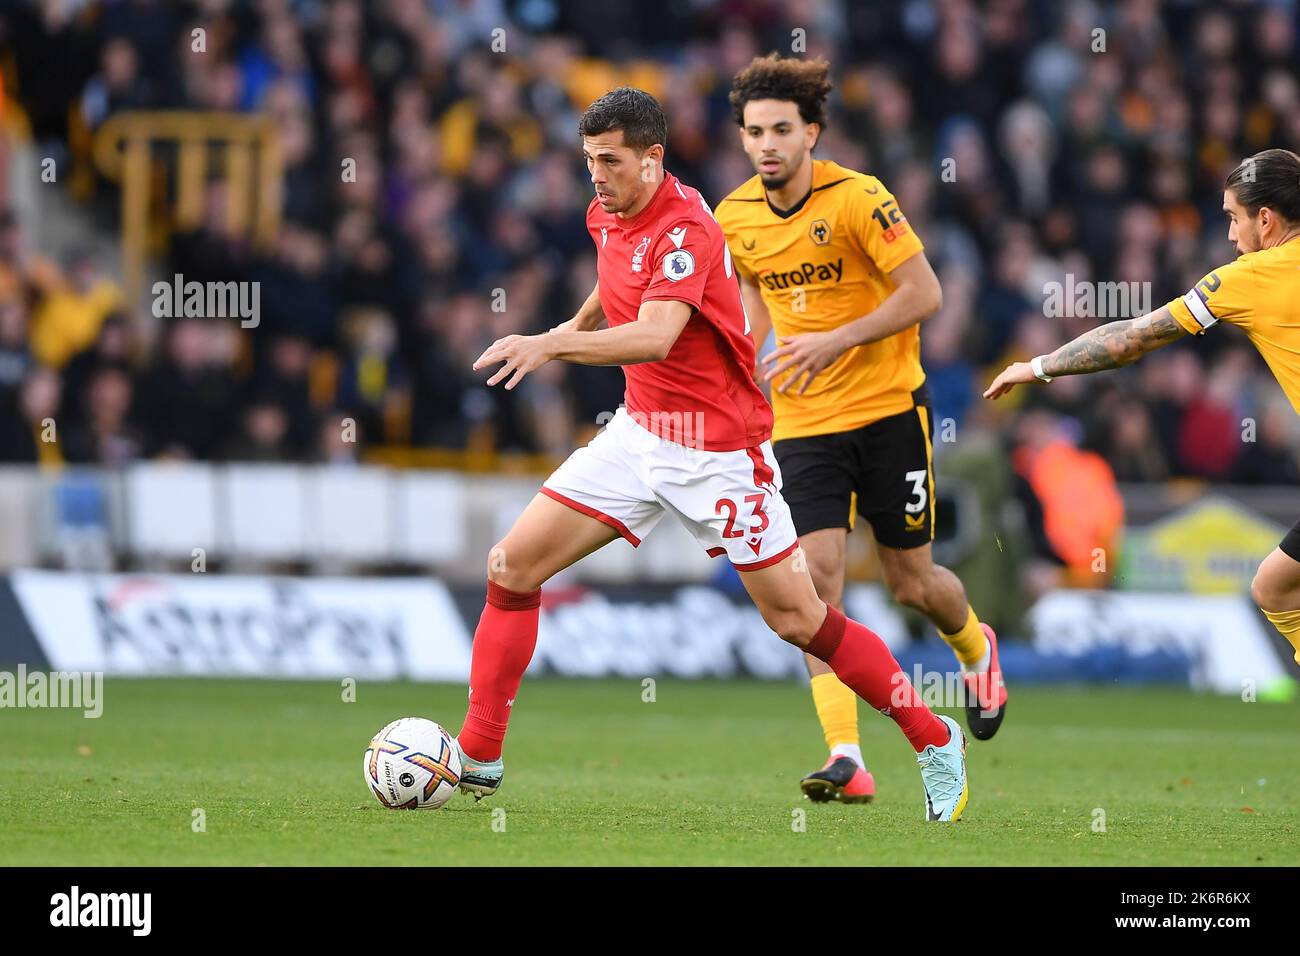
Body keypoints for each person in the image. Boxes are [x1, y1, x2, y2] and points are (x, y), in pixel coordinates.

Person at [459, 87, 970, 821]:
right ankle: (479, 754)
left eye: (610, 161)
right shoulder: (605, 212)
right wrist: (570, 324)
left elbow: (656, 335)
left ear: (652, 159)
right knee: (511, 565)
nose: (596, 175)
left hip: (719, 450)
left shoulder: (689, 230)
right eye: (588, 161)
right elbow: (613, 294)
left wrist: (550, 343)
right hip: (639, 434)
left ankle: (932, 737)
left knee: (802, 621)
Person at [714, 54, 1005, 805]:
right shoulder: (734, 217)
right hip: (804, 424)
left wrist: (833, 340)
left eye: (782, 129)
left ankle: (975, 649)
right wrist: (745, 359)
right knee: (813, 587)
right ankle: (847, 756)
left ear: (812, 131)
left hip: (886, 411)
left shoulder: (859, 200)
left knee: (912, 583)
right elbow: (750, 297)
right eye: (754, 132)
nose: (768, 144)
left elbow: (925, 293)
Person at [986, 148, 1300, 667]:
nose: (1229, 236)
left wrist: (1040, 366)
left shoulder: (1246, 278)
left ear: (1264, 219)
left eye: (1232, 218)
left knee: (1274, 589)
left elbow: (1131, 339)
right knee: (1274, 586)